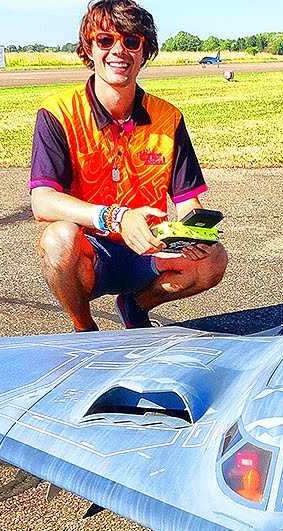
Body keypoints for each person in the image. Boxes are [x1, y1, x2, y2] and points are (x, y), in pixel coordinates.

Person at [29, 0, 227, 331]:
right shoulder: (58, 113)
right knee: (57, 239)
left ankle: (135, 305)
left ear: (144, 52)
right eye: (105, 40)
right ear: (88, 48)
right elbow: (42, 201)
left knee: (213, 259)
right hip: (91, 252)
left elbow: (187, 200)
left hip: (150, 248)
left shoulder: (168, 118)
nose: (119, 50)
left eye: (131, 41)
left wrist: (192, 233)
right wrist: (115, 217)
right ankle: (84, 328)